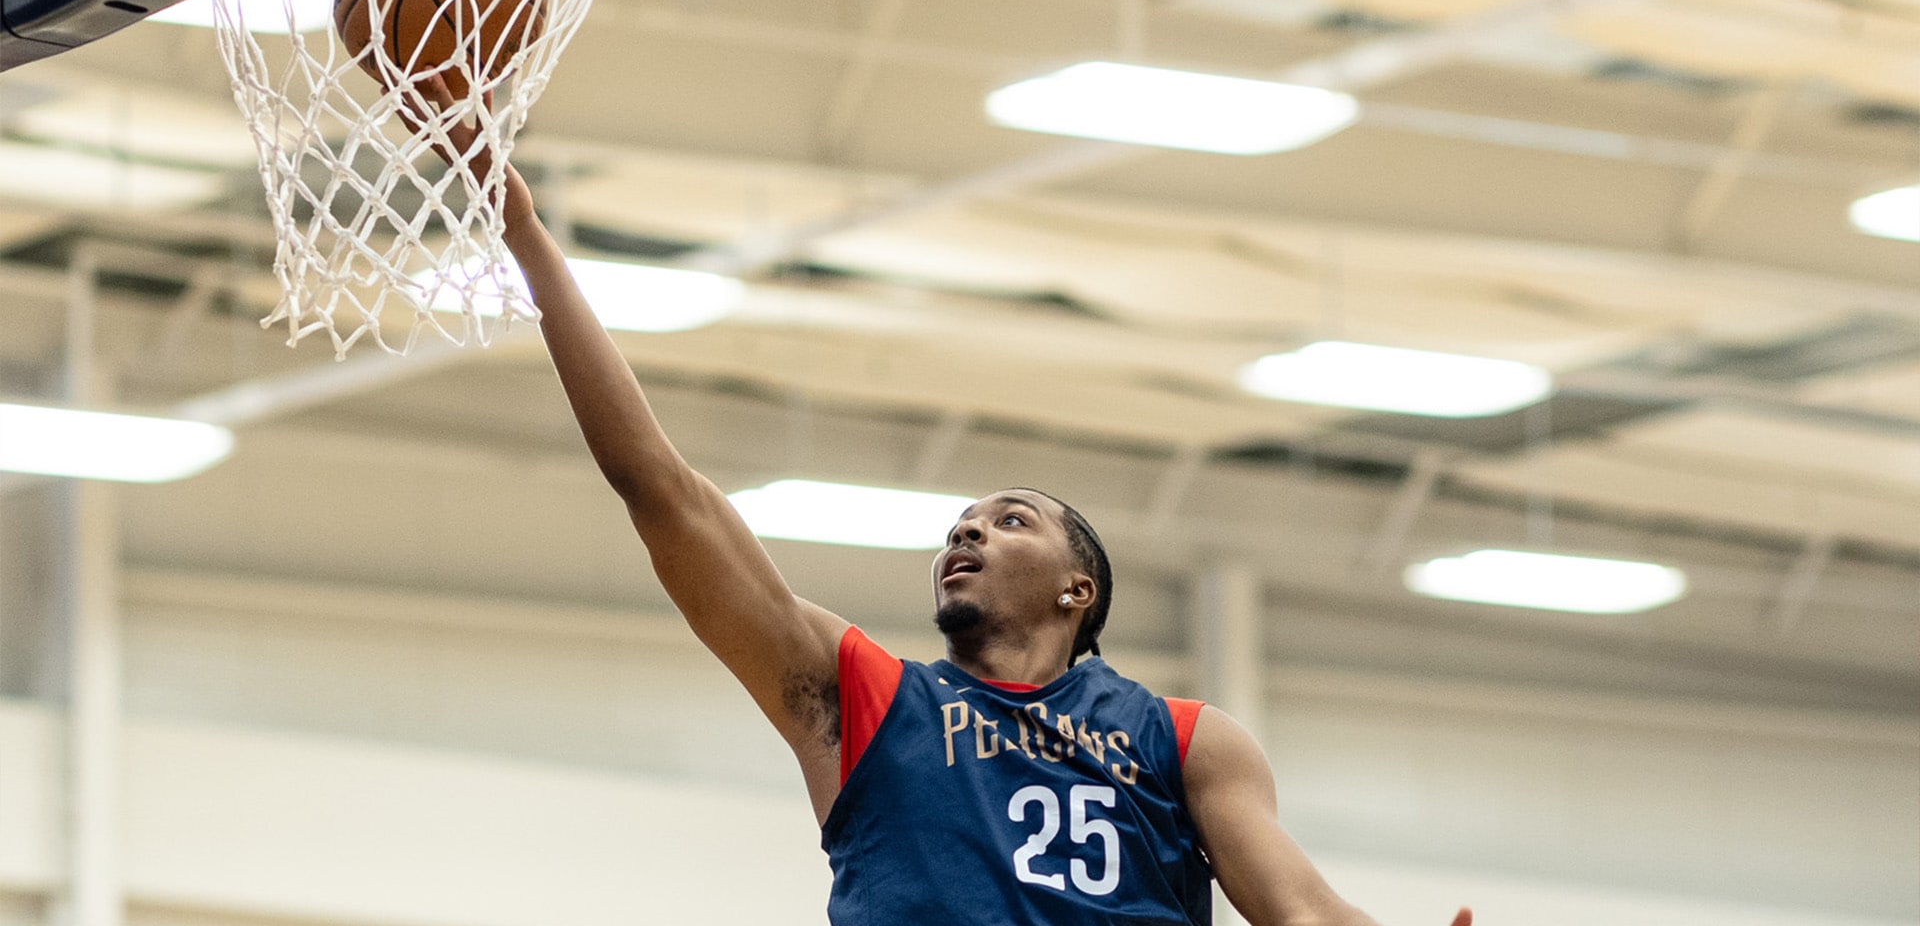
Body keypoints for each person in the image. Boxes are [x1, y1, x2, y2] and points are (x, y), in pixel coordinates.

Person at [414, 78, 1472, 926]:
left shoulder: (1187, 740)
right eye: (961, 518)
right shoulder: (862, 699)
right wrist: (527, 242)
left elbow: (1301, 910)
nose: (966, 527)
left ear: (1078, 588)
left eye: (1013, 517)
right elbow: (662, 490)